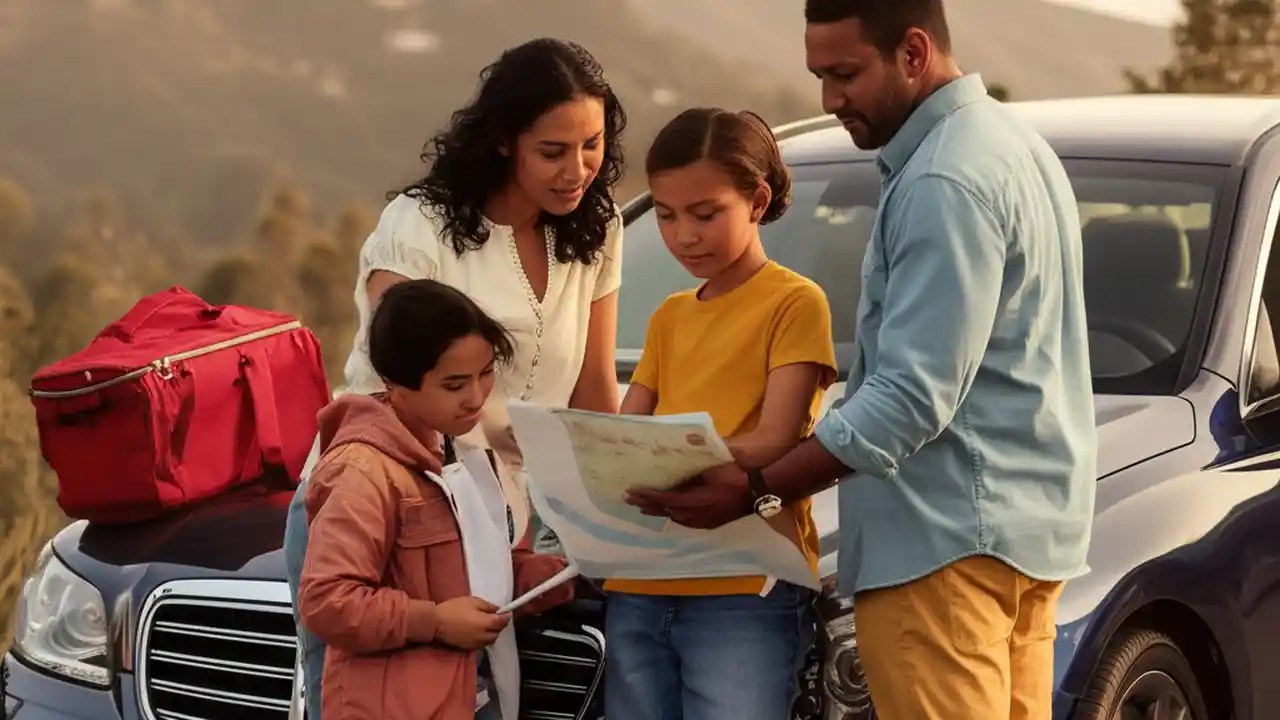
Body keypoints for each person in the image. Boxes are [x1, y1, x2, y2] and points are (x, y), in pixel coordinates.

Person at [627, 2, 1097, 719]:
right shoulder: (1011, 145)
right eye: (820, 76)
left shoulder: (945, 179)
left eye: (845, 74)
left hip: (942, 550)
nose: (829, 99)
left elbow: (909, 397)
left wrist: (759, 487)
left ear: (914, 53)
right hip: (1021, 540)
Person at [283, 37, 626, 717]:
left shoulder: (596, 227)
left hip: (503, 518)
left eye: (592, 145)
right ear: (503, 141)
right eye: (553, 152)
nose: (578, 169)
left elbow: (593, 397)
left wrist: (617, 514)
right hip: (383, 502)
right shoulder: (420, 229)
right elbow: (401, 382)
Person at [610, 108, 837, 720]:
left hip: (745, 584)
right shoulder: (668, 315)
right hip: (641, 580)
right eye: (665, 215)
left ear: (757, 201)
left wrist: (671, 454)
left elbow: (775, 439)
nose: (684, 235)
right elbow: (625, 436)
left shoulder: (795, 303)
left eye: (705, 214)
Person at [297, 279, 574, 720]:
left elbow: (471, 575)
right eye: (454, 384)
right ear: (396, 385)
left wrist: (556, 575)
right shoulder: (362, 471)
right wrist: (437, 622)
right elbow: (328, 600)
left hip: (467, 698)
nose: (477, 397)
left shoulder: (463, 454)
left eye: (486, 374)